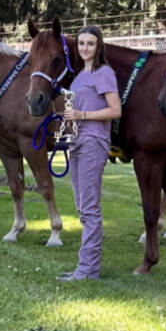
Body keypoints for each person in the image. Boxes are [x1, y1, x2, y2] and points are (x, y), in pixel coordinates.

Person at [58, 25, 122, 281]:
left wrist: (82, 115)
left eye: (90, 44)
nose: (85, 48)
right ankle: (84, 267)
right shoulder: (79, 75)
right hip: (76, 142)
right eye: (81, 43)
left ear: (99, 46)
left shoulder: (103, 73)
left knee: (90, 209)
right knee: (82, 207)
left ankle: (88, 270)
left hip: (93, 143)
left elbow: (115, 110)